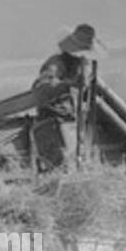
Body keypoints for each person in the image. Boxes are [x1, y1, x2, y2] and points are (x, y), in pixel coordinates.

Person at [32, 23, 100, 170]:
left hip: (76, 122)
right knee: (62, 168)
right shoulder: (55, 64)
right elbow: (41, 90)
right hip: (55, 125)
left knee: (78, 164)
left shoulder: (85, 65)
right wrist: (67, 85)